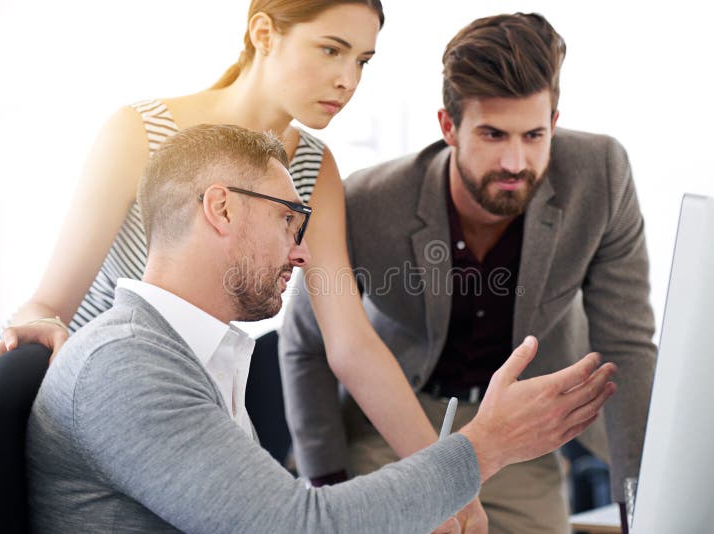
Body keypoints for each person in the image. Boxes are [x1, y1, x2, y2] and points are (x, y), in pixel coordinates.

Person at [0, 1, 490, 528]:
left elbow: (351, 344)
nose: (347, 80)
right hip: (121, 402)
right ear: (264, 33)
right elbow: (51, 302)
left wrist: (459, 492)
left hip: (206, 397)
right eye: (330, 50)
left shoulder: (313, 167)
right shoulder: (142, 134)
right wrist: (34, 326)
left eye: (362, 61)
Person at [26, 124, 617, 533]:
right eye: (289, 219)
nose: (302, 252)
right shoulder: (125, 366)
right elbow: (294, 525)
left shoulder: (183, 354)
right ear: (222, 208)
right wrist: (486, 444)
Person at [279, 12, 657, 533]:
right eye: (493, 134)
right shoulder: (366, 203)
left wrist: (641, 506)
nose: (515, 161)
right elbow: (304, 344)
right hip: (396, 424)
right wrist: (329, 481)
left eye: (534, 134)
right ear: (448, 127)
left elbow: (628, 347)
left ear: (555, 121)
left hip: (518, 430)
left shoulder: (603, 175)